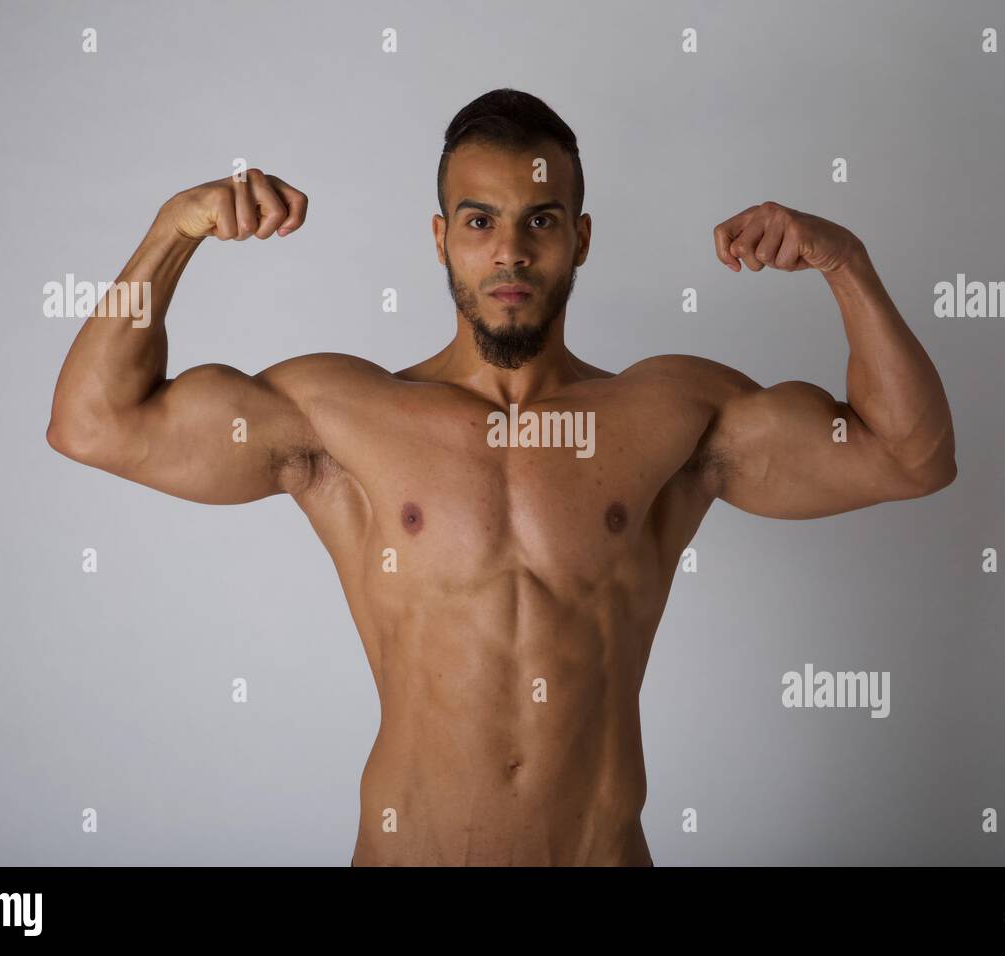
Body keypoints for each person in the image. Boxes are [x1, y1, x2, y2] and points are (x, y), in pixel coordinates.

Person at [47, 88, 956, 866]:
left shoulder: (665, 413)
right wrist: (175, 228)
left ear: (581, 238)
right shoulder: (341, 415)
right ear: (442, 238)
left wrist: (847, 264)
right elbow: (94, 424)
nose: (510, 253)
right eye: (480, 222)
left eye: (541, 221)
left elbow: (911, 456)